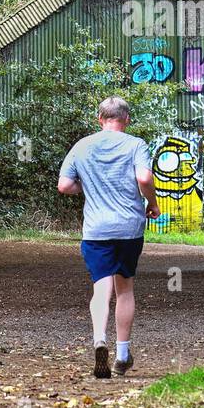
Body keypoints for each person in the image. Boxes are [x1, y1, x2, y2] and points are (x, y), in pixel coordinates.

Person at [58, 96, 160, 378]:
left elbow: (64, 186)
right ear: (126, 120)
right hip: (129, 228)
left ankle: (99, 340)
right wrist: (152, 202)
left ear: (100, 119)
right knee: (124, 288)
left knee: (101, 288)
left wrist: (89, 185)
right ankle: (123, 354)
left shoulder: (82, 146)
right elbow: (144, 179)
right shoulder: (136, 144)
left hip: (96, 229)